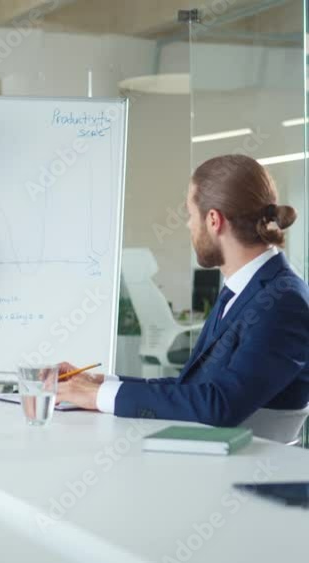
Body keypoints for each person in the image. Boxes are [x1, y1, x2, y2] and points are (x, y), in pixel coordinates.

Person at [59, 155, 309, 436]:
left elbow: (219, 405)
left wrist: (95, 396)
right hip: (210, 450)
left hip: (240, 458)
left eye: (190, 215)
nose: (189, 225)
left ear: (213, 220)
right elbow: (192, 389)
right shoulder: (242, 291)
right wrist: (98, 383)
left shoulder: (283, 300)